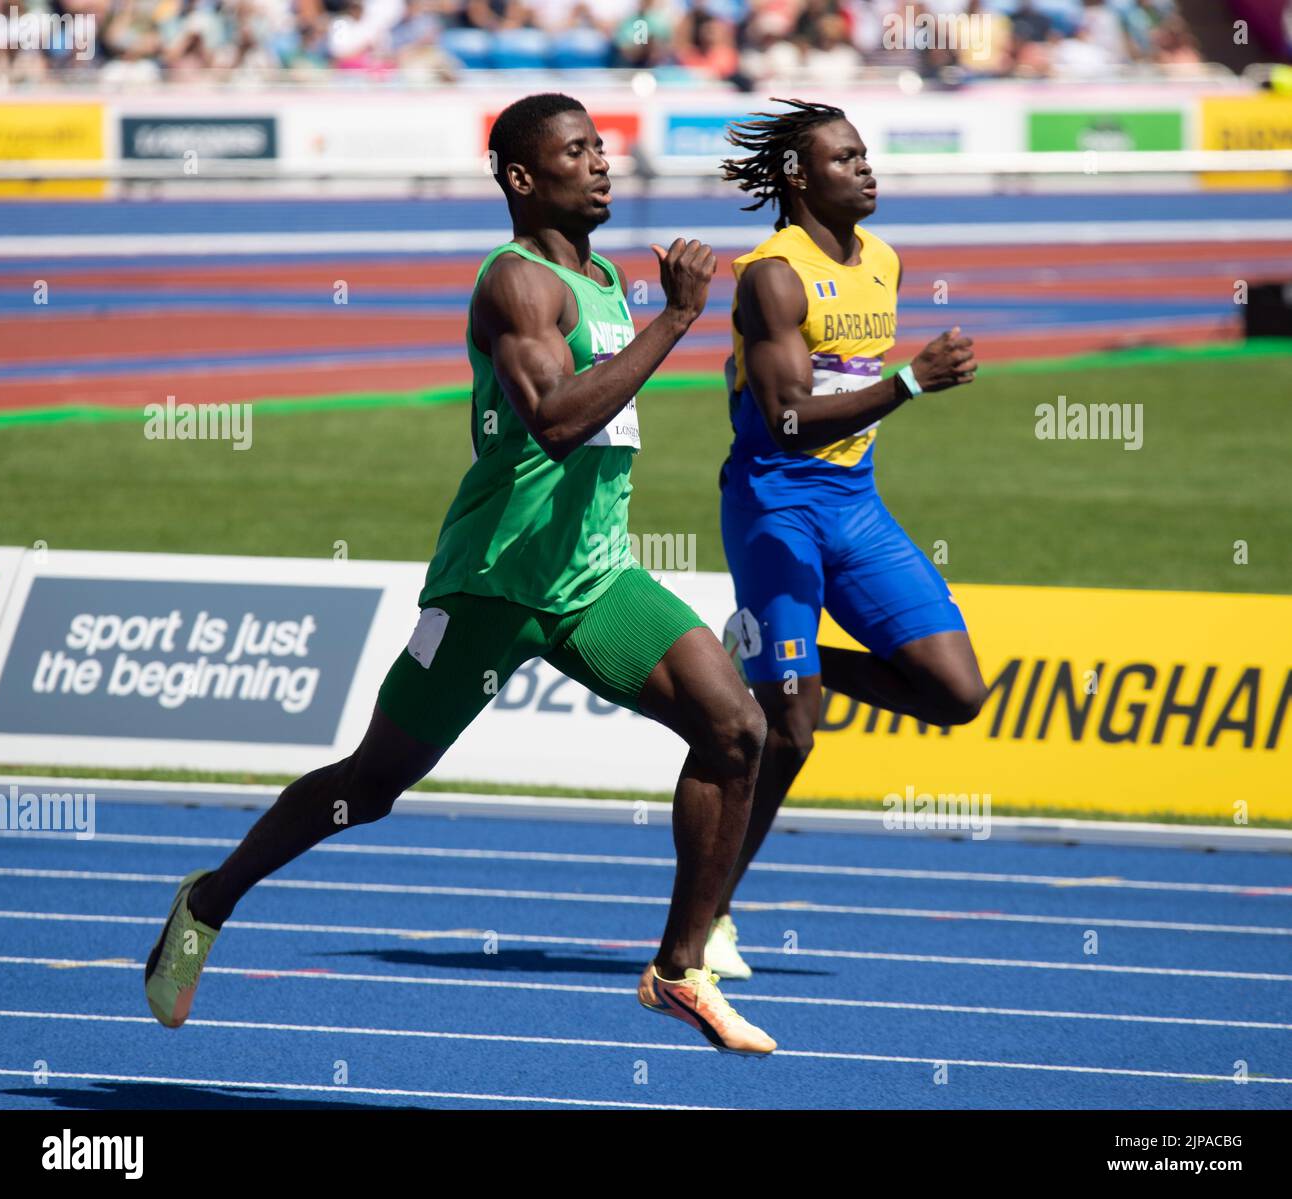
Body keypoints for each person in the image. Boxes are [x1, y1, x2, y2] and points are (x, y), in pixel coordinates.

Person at [145, 92, 777, 1056]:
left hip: (594, 581)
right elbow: (558, 421)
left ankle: (679, 968)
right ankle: (212, 896)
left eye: (602, 148)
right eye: (578, 151)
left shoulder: (605, 279)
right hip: (491, 587)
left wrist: (654, 318)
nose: (602, 164)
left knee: (735, 727)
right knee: (371, 785)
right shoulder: (516, 286)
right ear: (524, 177)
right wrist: (678, 321)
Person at [708, 98, 986, 979]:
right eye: (845, 159)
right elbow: (788, 421)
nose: (866, 170)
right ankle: (710, 915)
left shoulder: (885, 261)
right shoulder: (772, 277)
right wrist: (911, 380)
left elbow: (843, 400)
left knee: (955, 692)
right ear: (798, 177)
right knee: (788, 731)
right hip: (775, 505)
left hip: (855, 504)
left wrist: (897, 385)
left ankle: (781, 658)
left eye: (866, 156)